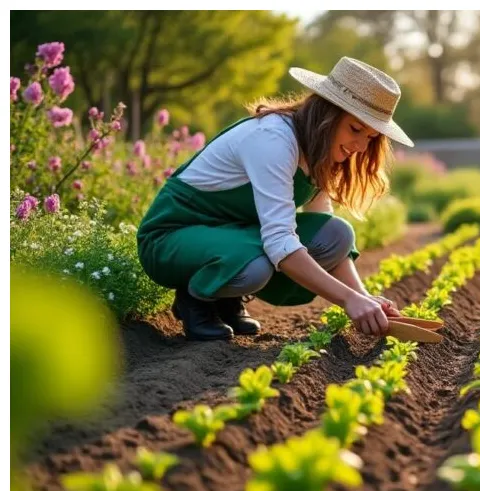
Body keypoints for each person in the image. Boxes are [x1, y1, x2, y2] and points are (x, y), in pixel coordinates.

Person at [137, 57, 413, 341]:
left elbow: (322, 224)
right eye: (355, 129)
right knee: (254, 266)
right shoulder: (274, 139)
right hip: (171, 238)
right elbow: (279, 242)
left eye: (370, 136)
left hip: (234, 237)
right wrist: (348, 301)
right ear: (327, 113)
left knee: (336, 234)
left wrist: (365, 297)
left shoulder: (320, 148)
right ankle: (195, 299)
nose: (359, 146)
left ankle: (225, 298)